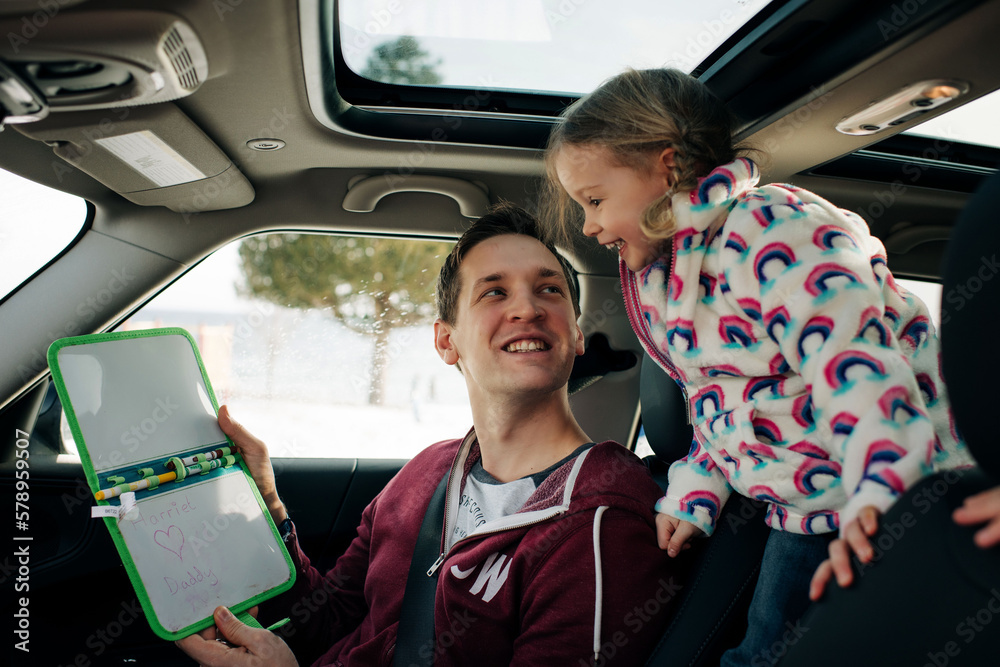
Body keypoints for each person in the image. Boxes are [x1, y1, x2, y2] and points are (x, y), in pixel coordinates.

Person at [543, 67, 971, 665]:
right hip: (802, 507)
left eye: (594, 200)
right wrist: (695, 492)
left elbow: (860, 369)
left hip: (884, 494)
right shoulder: (672, 280)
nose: (587, 225)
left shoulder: (776, 231)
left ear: (667, 167)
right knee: (765, 650)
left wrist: (885, 497)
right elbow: (724, 402)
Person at [175, 203, 677, 666]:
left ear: (576, 333)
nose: (527, 308)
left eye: (549, 289)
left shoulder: (603, 519)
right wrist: (264, 500)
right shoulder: (428, 471)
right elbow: (327, 624)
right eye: (494, 291)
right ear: (446, 341)